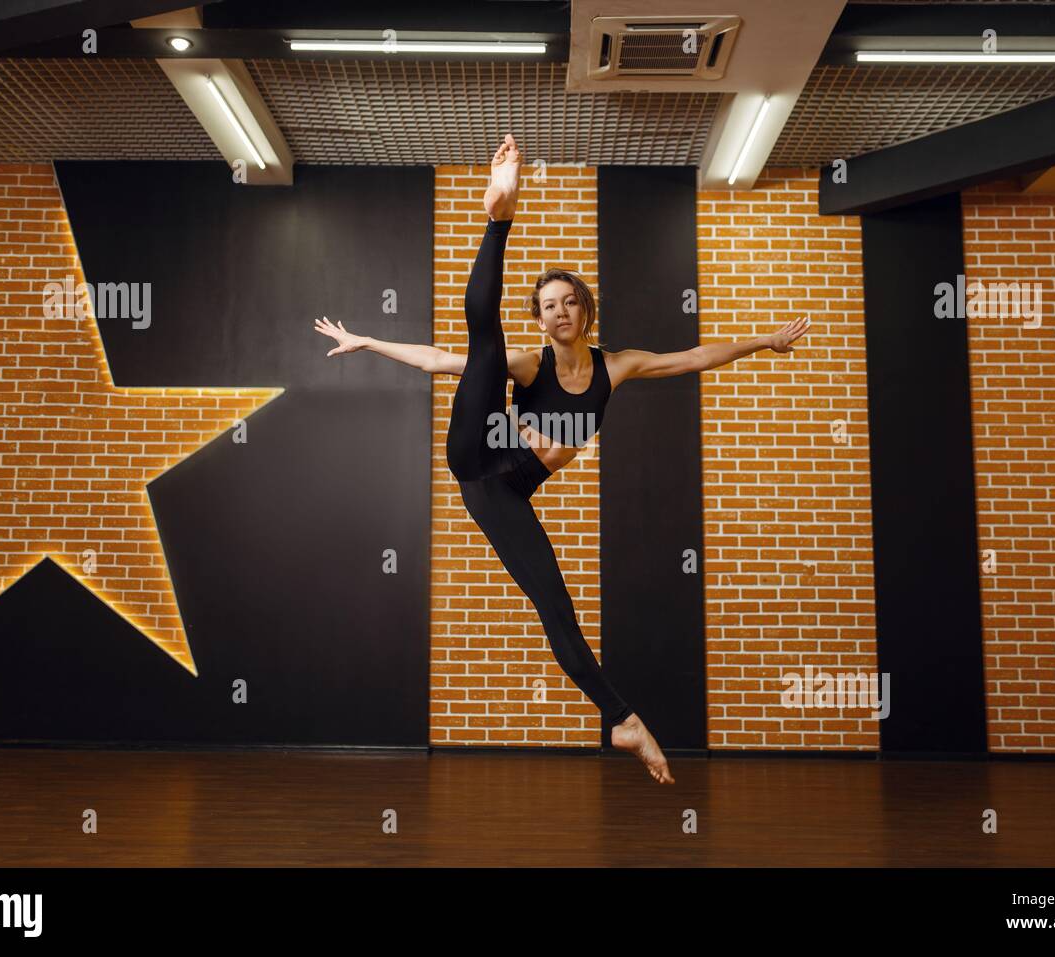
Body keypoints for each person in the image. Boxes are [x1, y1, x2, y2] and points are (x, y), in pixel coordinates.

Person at [315, 134, 810, 783]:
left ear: (584, 308)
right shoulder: (531, 360)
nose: (559, 312)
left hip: (506, 493)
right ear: (542, 319)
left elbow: (692, 356)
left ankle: (623, 720)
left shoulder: (618, 364)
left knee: (557, 607)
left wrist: (765, 341)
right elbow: (440, 359)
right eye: (547, 306)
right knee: (485, 347)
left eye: (568, 301)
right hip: (477, 452)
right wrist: (367, 340)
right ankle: (500, 215)